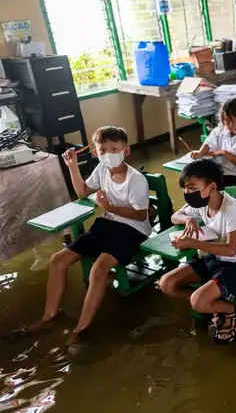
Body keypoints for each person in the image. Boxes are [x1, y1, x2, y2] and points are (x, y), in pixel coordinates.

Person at [20, 126, 151, 348]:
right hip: (107, 224)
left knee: (99, 270)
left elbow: (140, 214)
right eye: (102, 150)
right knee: (57, 260)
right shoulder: (102, 169)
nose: (108, 153)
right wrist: (72, 166)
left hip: (133, 229)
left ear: (126, 151)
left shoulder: (136, 179)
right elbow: (82, 193)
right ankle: (48, 317)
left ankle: (80, 328)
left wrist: (107, 205)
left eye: (114, 148)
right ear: (95, 153)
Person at [157, 159, 236, 344]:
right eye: (186, 189)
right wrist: (188, 220)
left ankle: (228, 309)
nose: (188, 193)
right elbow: (175, 216)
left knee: (197, 301)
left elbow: (231, 249)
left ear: (212, 187)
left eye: (192, 187)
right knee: (167, 284)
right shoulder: (202, 203)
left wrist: (194, 243)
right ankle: (214, 306)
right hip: (216, 258)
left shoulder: (232, 208)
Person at [191, 98, 236, 190]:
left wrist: (224, 153)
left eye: (229, 120)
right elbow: (208, 143)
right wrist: (200, 153)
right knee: (202, 181)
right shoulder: (221, 129)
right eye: (224, 120)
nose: (226, 124)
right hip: (223, 173)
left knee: (216, 190)